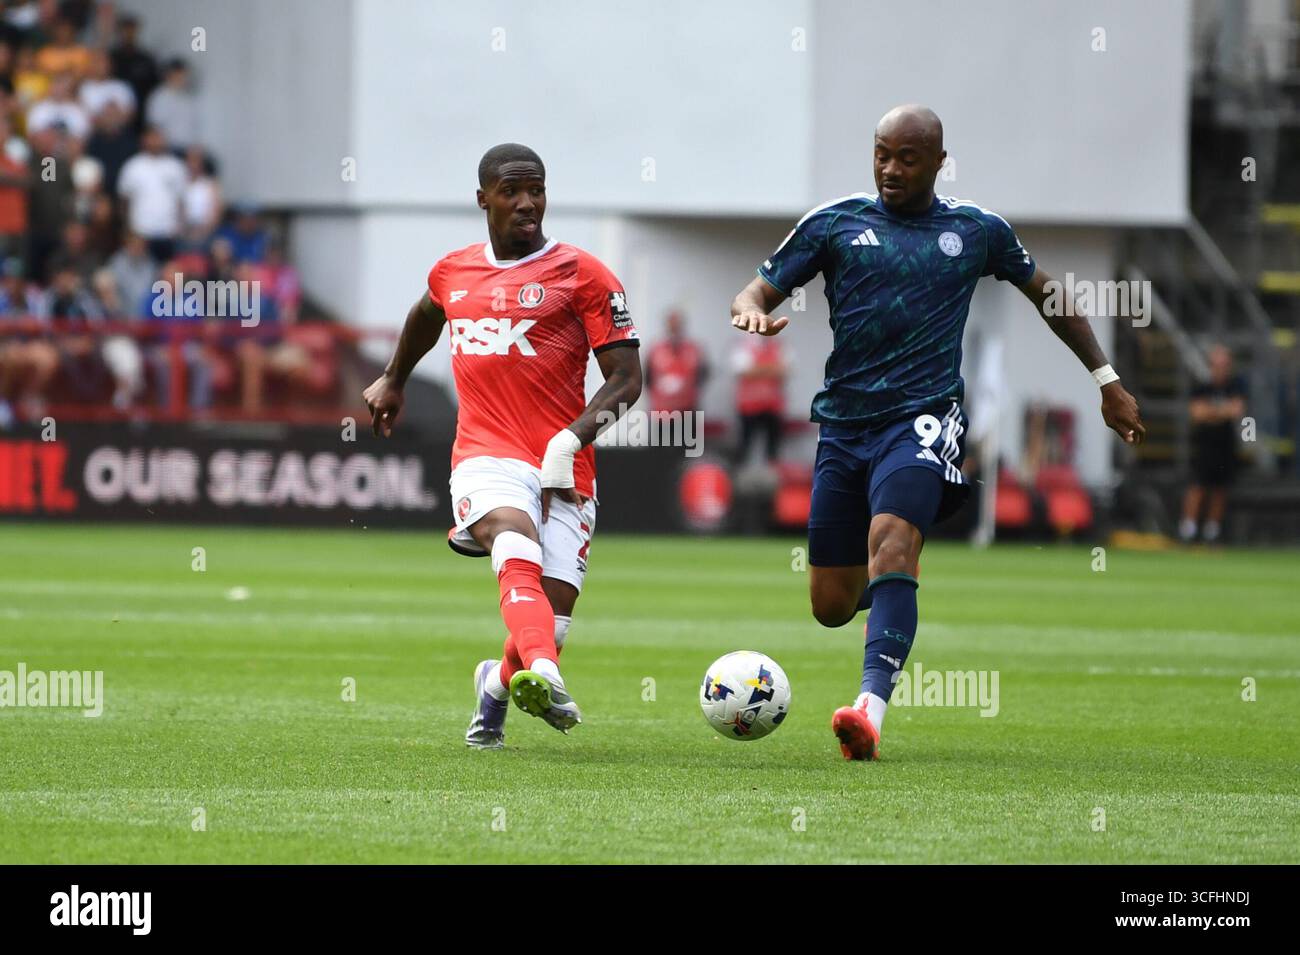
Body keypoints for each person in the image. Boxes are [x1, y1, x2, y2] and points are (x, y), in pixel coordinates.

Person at [729, 104, 1146, 761]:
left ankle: (868, 710)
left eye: (908, 157)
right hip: (843, 424)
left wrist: (1107, 377)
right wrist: (752, 313)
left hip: (924, 417)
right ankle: (891, 585)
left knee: (891, 539)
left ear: (939, 162)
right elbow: (753, 292)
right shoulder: (836, 223)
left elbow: (1049, 294)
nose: (891, 168)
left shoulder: (975, 231)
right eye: (882, 153)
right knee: (831, 605)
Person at [363, 143, 642, 748]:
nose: (527, 203)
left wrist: (570, 440)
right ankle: (547, 676)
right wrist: (394, 377)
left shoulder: (582, 274)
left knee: (552, 621)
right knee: (513, 542)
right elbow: (426, 314)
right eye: (512, 191)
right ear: (483, 198)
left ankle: (496, 684)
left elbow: (627, 379)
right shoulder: (453, 271)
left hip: (565, 464)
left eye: (536, 190)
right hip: (484, 455)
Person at [1179, 344, 1246, 544]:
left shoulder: (1235, 386)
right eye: (1217, 365)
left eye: (1224, 365)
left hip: (1225, 445)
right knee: (1197, 486)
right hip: (1204, 445)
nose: (1221, 369)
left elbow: (1237, 411)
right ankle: (1188, 530)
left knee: (1220, 489)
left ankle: (1212, 531)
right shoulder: (1202, 387)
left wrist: (1212, 412)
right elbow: (1197, 414)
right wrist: (1221, 411)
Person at [117, 125, 185, 262]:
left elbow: (181, 201)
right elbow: (124, 201)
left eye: (158, 137)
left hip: (167, 231)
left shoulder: (175, 166)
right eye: (152, 137)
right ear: (144, 140)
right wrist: (127, 229)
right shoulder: (133, 166)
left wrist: (180, 227)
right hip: (140, 231)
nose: (155, 141)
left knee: (166, 276)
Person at [732, 333, 789, 464]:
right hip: (749, 407)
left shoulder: (780, 345)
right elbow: (743, 371)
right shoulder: (743, 345)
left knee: (773, 449)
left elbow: (784, 371)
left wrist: (756, 369)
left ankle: (772, 479)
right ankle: (742, 478)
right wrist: (770, 369)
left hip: (773, 406)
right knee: (745, 447)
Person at [645, 308, 707, 418]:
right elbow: (647, 377)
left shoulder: (693, 349)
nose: (674, 328)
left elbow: (703, 374)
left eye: (677, 324)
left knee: (687, 435)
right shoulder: (656, 349)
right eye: (671, 324)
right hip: (662, 409)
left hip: (687, 408)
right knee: (663, 435)